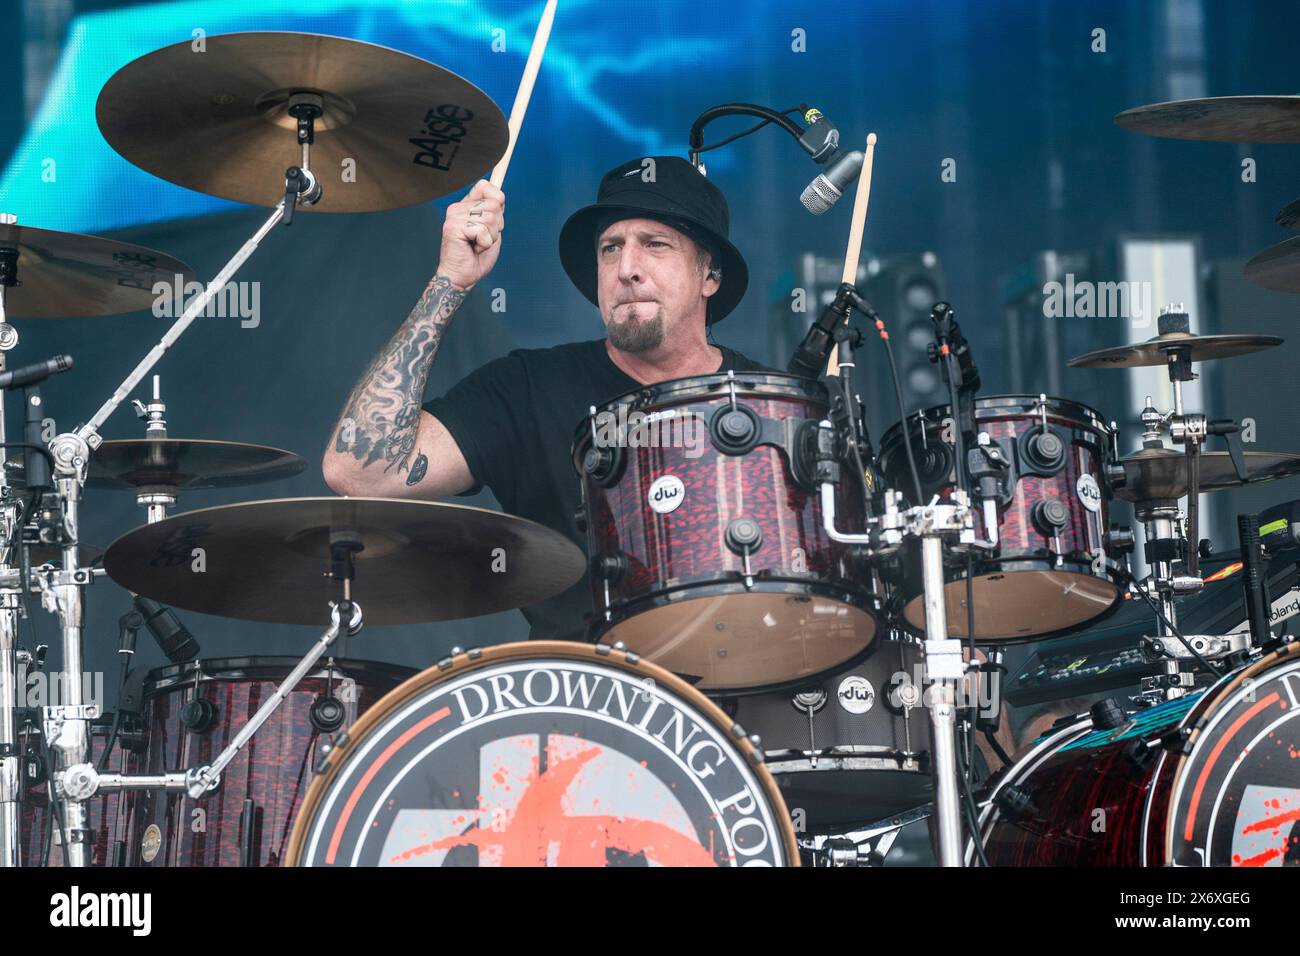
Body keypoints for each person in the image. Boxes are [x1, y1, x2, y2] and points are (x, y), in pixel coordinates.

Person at [322, 156, 769, 641]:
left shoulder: (773, 406)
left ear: (710, 275)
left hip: (747, 685)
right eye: (610, 248)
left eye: (655, 245)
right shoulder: (528, 388)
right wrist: (450, 280)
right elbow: (359, 472)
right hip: (580, 698)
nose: (627, 269)